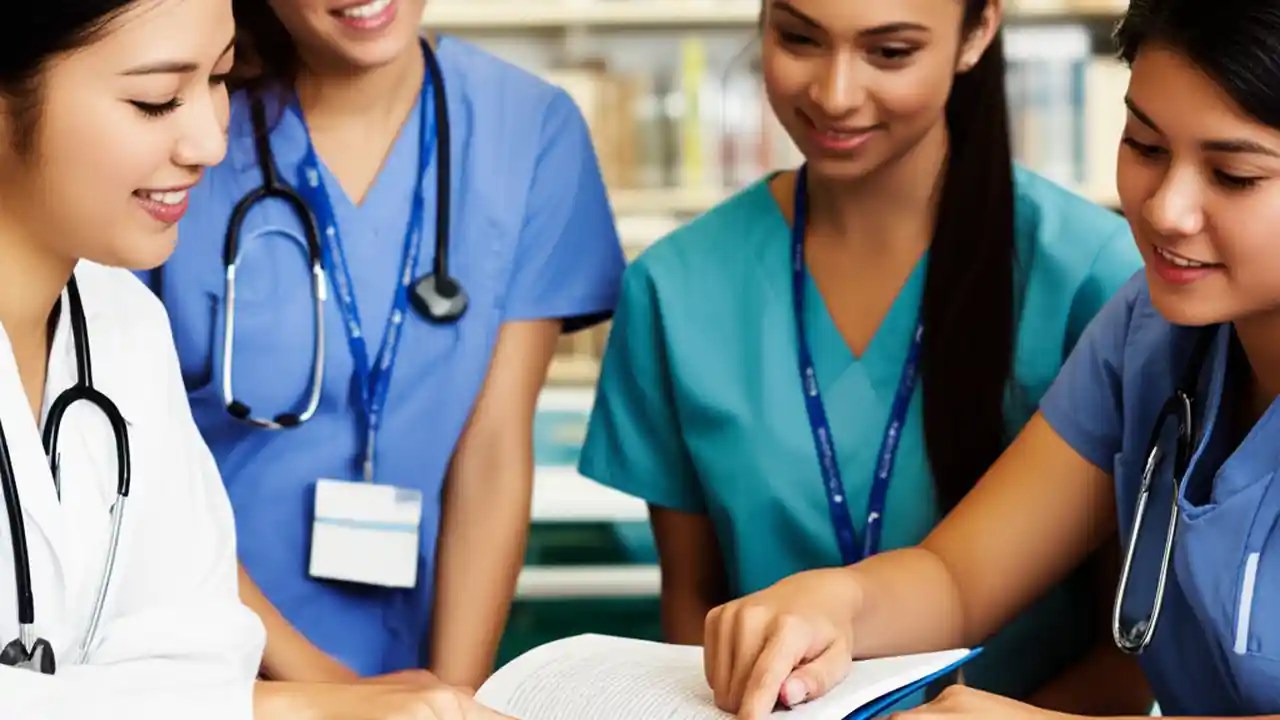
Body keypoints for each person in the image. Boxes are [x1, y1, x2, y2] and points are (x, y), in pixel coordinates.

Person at [700, 0, 1280, 717]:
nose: (1166, 209)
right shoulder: (1149, 338)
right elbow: (958, 578)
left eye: (1234, 176)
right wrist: (835, 602)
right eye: (1146, 145)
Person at [578, 0, 1149, 713]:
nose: (835, 94)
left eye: (889, 52)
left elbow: (1127, 655)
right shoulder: (675, 286)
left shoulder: (1095, 277)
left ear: (977, 33)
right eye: (799, 38)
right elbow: (693, 606)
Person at [0, 1, 512, 718]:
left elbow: (198, 653)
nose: (211, 142)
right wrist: (303, 709)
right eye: (155, 101)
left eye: (220, 77)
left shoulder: (126, 329)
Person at [141, 0, 625, 689]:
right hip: (198, 659)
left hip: (419, 671)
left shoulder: (529, 128)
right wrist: (331, 696)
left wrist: (449, 698)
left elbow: (492, 450)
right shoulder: (185, 130)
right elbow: (142, 468)